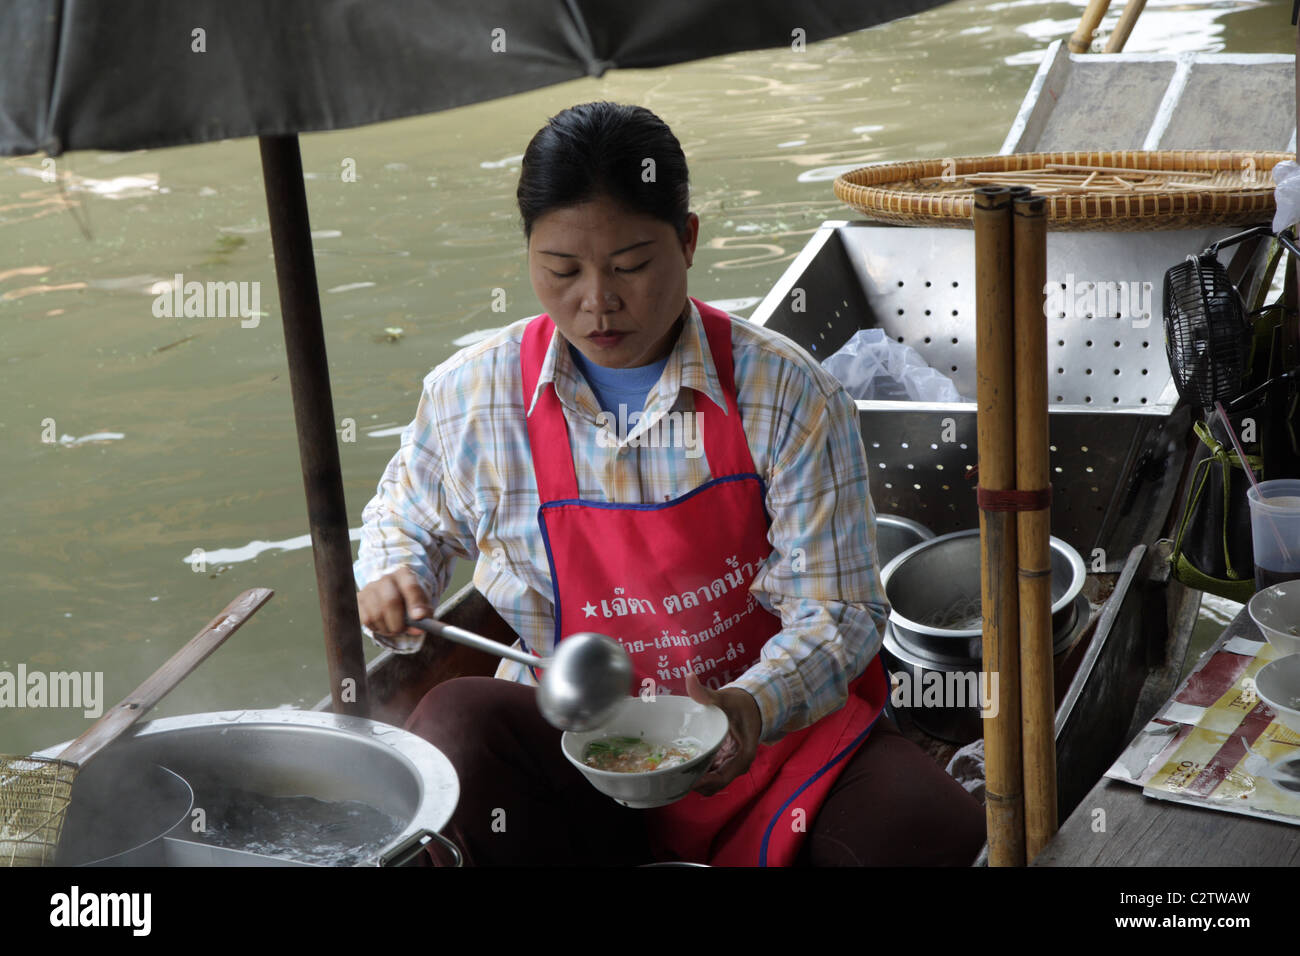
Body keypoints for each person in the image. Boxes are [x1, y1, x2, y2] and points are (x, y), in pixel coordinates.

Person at [353, 101, 985, 866]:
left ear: (687, 240)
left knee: (931, 831)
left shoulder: (786, 392)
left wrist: (750, 708)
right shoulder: (473, 396)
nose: (597, 302)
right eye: (562, 270)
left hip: (767, 742)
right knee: (454, 722)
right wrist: (394, 574)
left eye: (630, 265)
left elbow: (841, 612)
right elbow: (404, 516)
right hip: (578, 740)